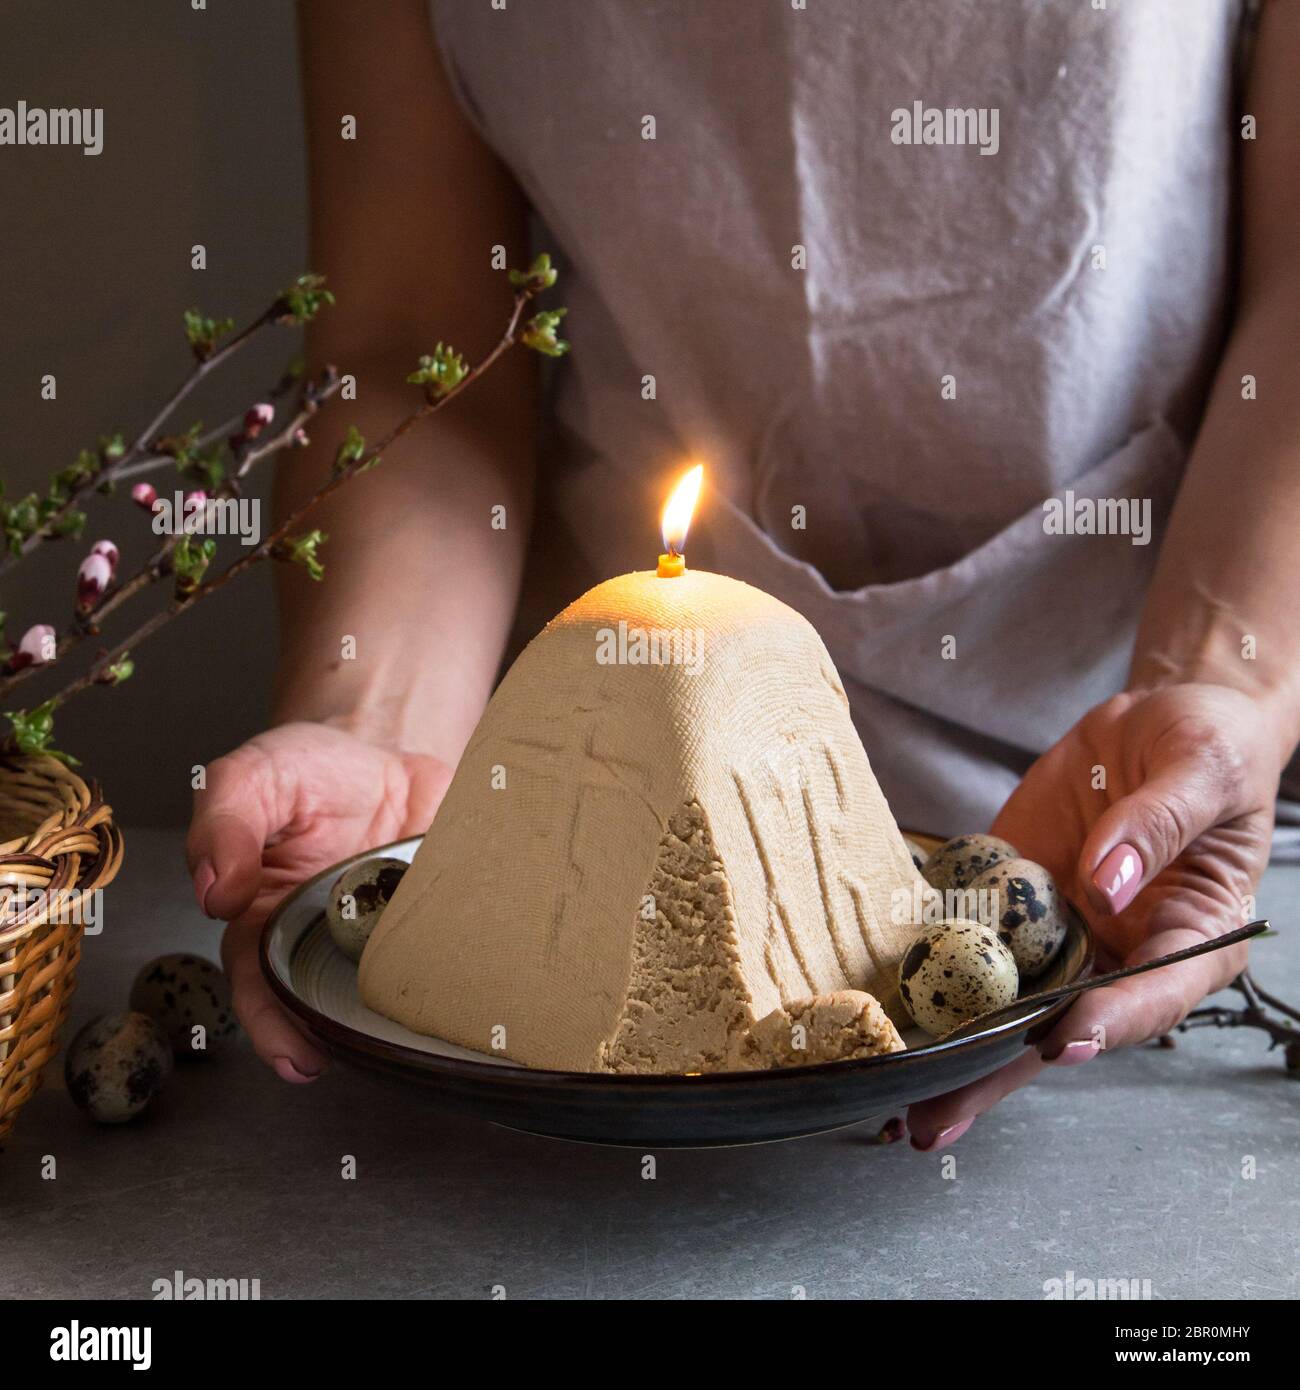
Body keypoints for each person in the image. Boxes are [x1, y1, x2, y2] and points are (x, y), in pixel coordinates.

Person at [186, 0, 1299, 1149]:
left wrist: (1224, 686)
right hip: (570, 849)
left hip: (1103, 780)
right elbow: (416, 336)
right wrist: (379, 724)